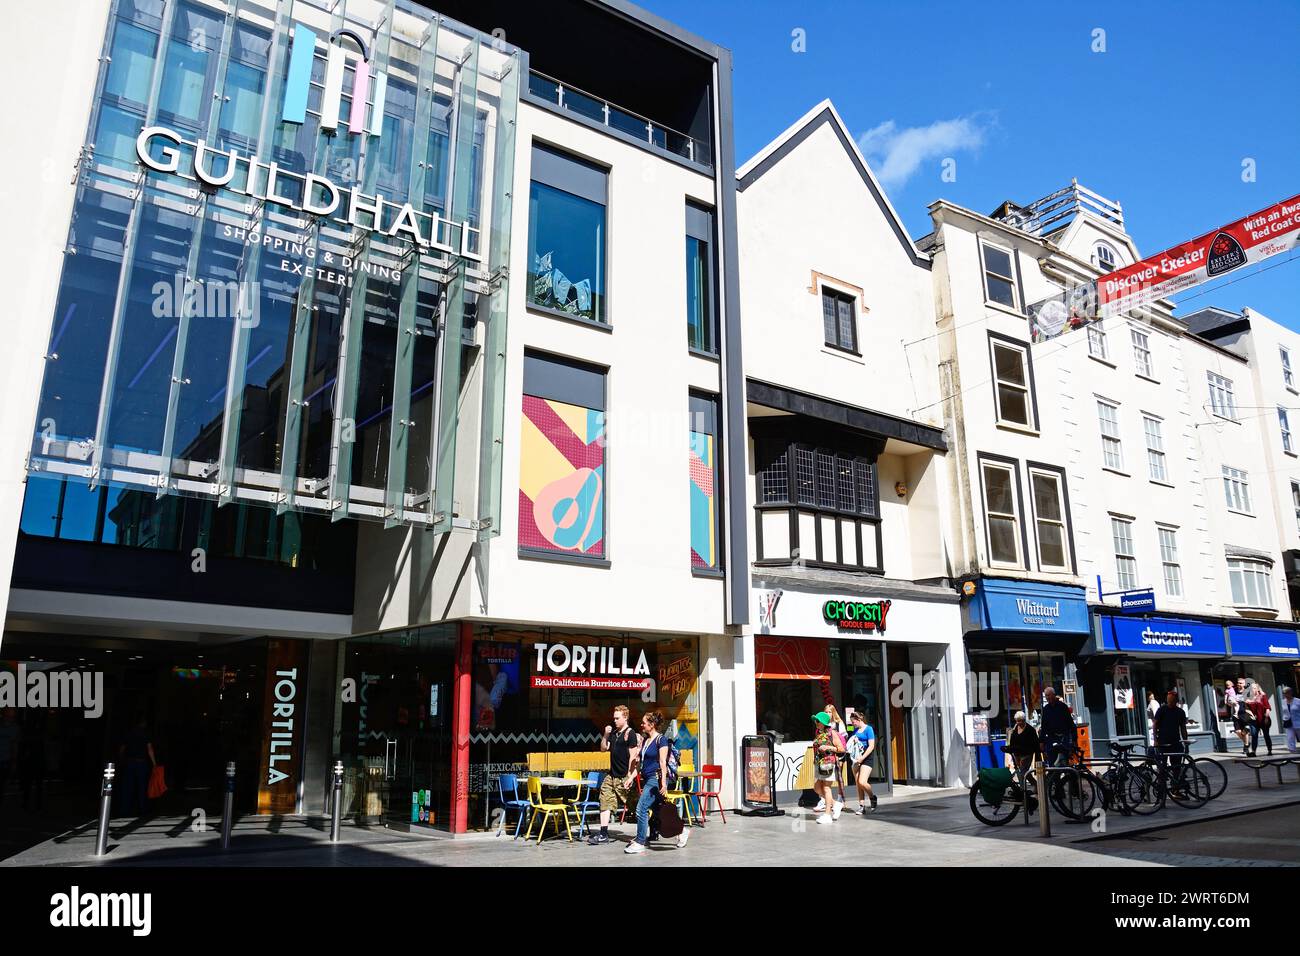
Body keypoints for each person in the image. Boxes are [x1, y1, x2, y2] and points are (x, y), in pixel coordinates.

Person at [625, 710, 687, 854]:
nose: (641, 725)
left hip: (655, 779)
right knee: (659, 811)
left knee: (641, 809)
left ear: (652, 724)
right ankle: (682, 832)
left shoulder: (661, 740)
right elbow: (640, 766)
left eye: (644, 723)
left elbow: (662, 762)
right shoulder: (646, 741)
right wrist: (631, 778)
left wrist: (664, 784)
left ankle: (640, 841)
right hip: (647, 778)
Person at [589, 704, 639, 845]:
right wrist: (605, 734)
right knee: (604, 800)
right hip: (612, 775)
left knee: (636, 806)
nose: (615, 720)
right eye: (614, 718)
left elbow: (633, 757)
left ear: (625, 717)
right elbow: (603, 749)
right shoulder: (614, 734)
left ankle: (653, 827)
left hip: (624, 776)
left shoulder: (630, 734)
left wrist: (630, 776)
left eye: (617, 718)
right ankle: (604, 834)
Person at [118, 713, 156, 817]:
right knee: (142, 787)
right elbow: (149, 749)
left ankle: (125, 810)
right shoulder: (145, 733)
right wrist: (154, 763)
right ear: (143, 723)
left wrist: (121, 760)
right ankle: (142, 810)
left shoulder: (128, 733)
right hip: (141, 762)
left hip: (129, 762)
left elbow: (122, 748)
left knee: (127, 787)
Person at [810, 711, 845, 823]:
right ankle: (836, 804)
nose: (816, 723)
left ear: (823, 722)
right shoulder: (818, 732)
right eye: (815, 720)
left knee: (826, 788)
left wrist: (827, 747)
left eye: (818, 721)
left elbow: (841, 749)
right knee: (817, 788)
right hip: (819, 763)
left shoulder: (832, 733)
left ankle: (827, 815)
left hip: (828, 763)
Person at [1152, 689, 1189, 779]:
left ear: (1176, 701)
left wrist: (1185, 741)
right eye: (1169, 700)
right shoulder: (1162, 710)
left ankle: (1175, 787)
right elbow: (1155, 724)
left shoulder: (1180, 712)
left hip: (1175, 742)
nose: (1170, 702)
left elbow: (1183, 728)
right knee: (1162, 768)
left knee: (1176, 767)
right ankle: (1162, 788)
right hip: (1163, 742)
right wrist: (1156, 740)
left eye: (1172, 701)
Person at [846, 711, 877, 814]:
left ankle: (872, 797)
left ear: (859, 720)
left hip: (866, 758)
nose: (852, 724)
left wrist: (862, 758)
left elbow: (871, 746)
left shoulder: (869, 729)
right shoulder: (855, 731)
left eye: (853, 722)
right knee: (858, 784)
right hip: (856, 758)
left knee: (862, 782)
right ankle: (861, 806)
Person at [1039, 687, 1076, 767]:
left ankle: (1066, 778)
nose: (1047, 697)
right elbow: (1044, 726)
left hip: (1063, 738)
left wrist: (1074, 739)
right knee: (1052, 763)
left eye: (1049, 695)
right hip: (1051, 738)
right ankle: (1055, 779)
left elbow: (1070, 723)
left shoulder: (1062, 707)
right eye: (1046, 696)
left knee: (1064, 762)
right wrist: (1041, 741)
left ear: (1054, 695)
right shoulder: (1046, 709)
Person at [1246, 685, 1273, 757]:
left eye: (1254, 688)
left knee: (1266, 735)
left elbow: (1267, 707)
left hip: (1263, 719)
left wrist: (1266, 717)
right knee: (1254, 735)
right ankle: (1253, 752)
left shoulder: (1262, 696)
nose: (1252, 690)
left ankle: (1269, 750)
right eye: (1251, 688)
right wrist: (1250, 714)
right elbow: (1247, 709)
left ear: (1257, 689)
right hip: (1254, 721)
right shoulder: (1249, 698)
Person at [0, 708, 17, 807]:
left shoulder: (14, 728)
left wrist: (13, 761)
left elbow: (14, 745)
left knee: (2, 782)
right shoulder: (12, 728)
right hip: (5, 758)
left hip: (5, 759)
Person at [1281, 687, 1300, 754]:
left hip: (1298, 722)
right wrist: (1284, 719)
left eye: (1286, 693)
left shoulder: (1298, 701)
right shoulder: (1283, 701)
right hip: (1288, 722)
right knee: (1290, 737)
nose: (1285, 695)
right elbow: (1284, 712)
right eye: (1284, 693)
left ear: (1291, 693)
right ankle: (1292, 752)